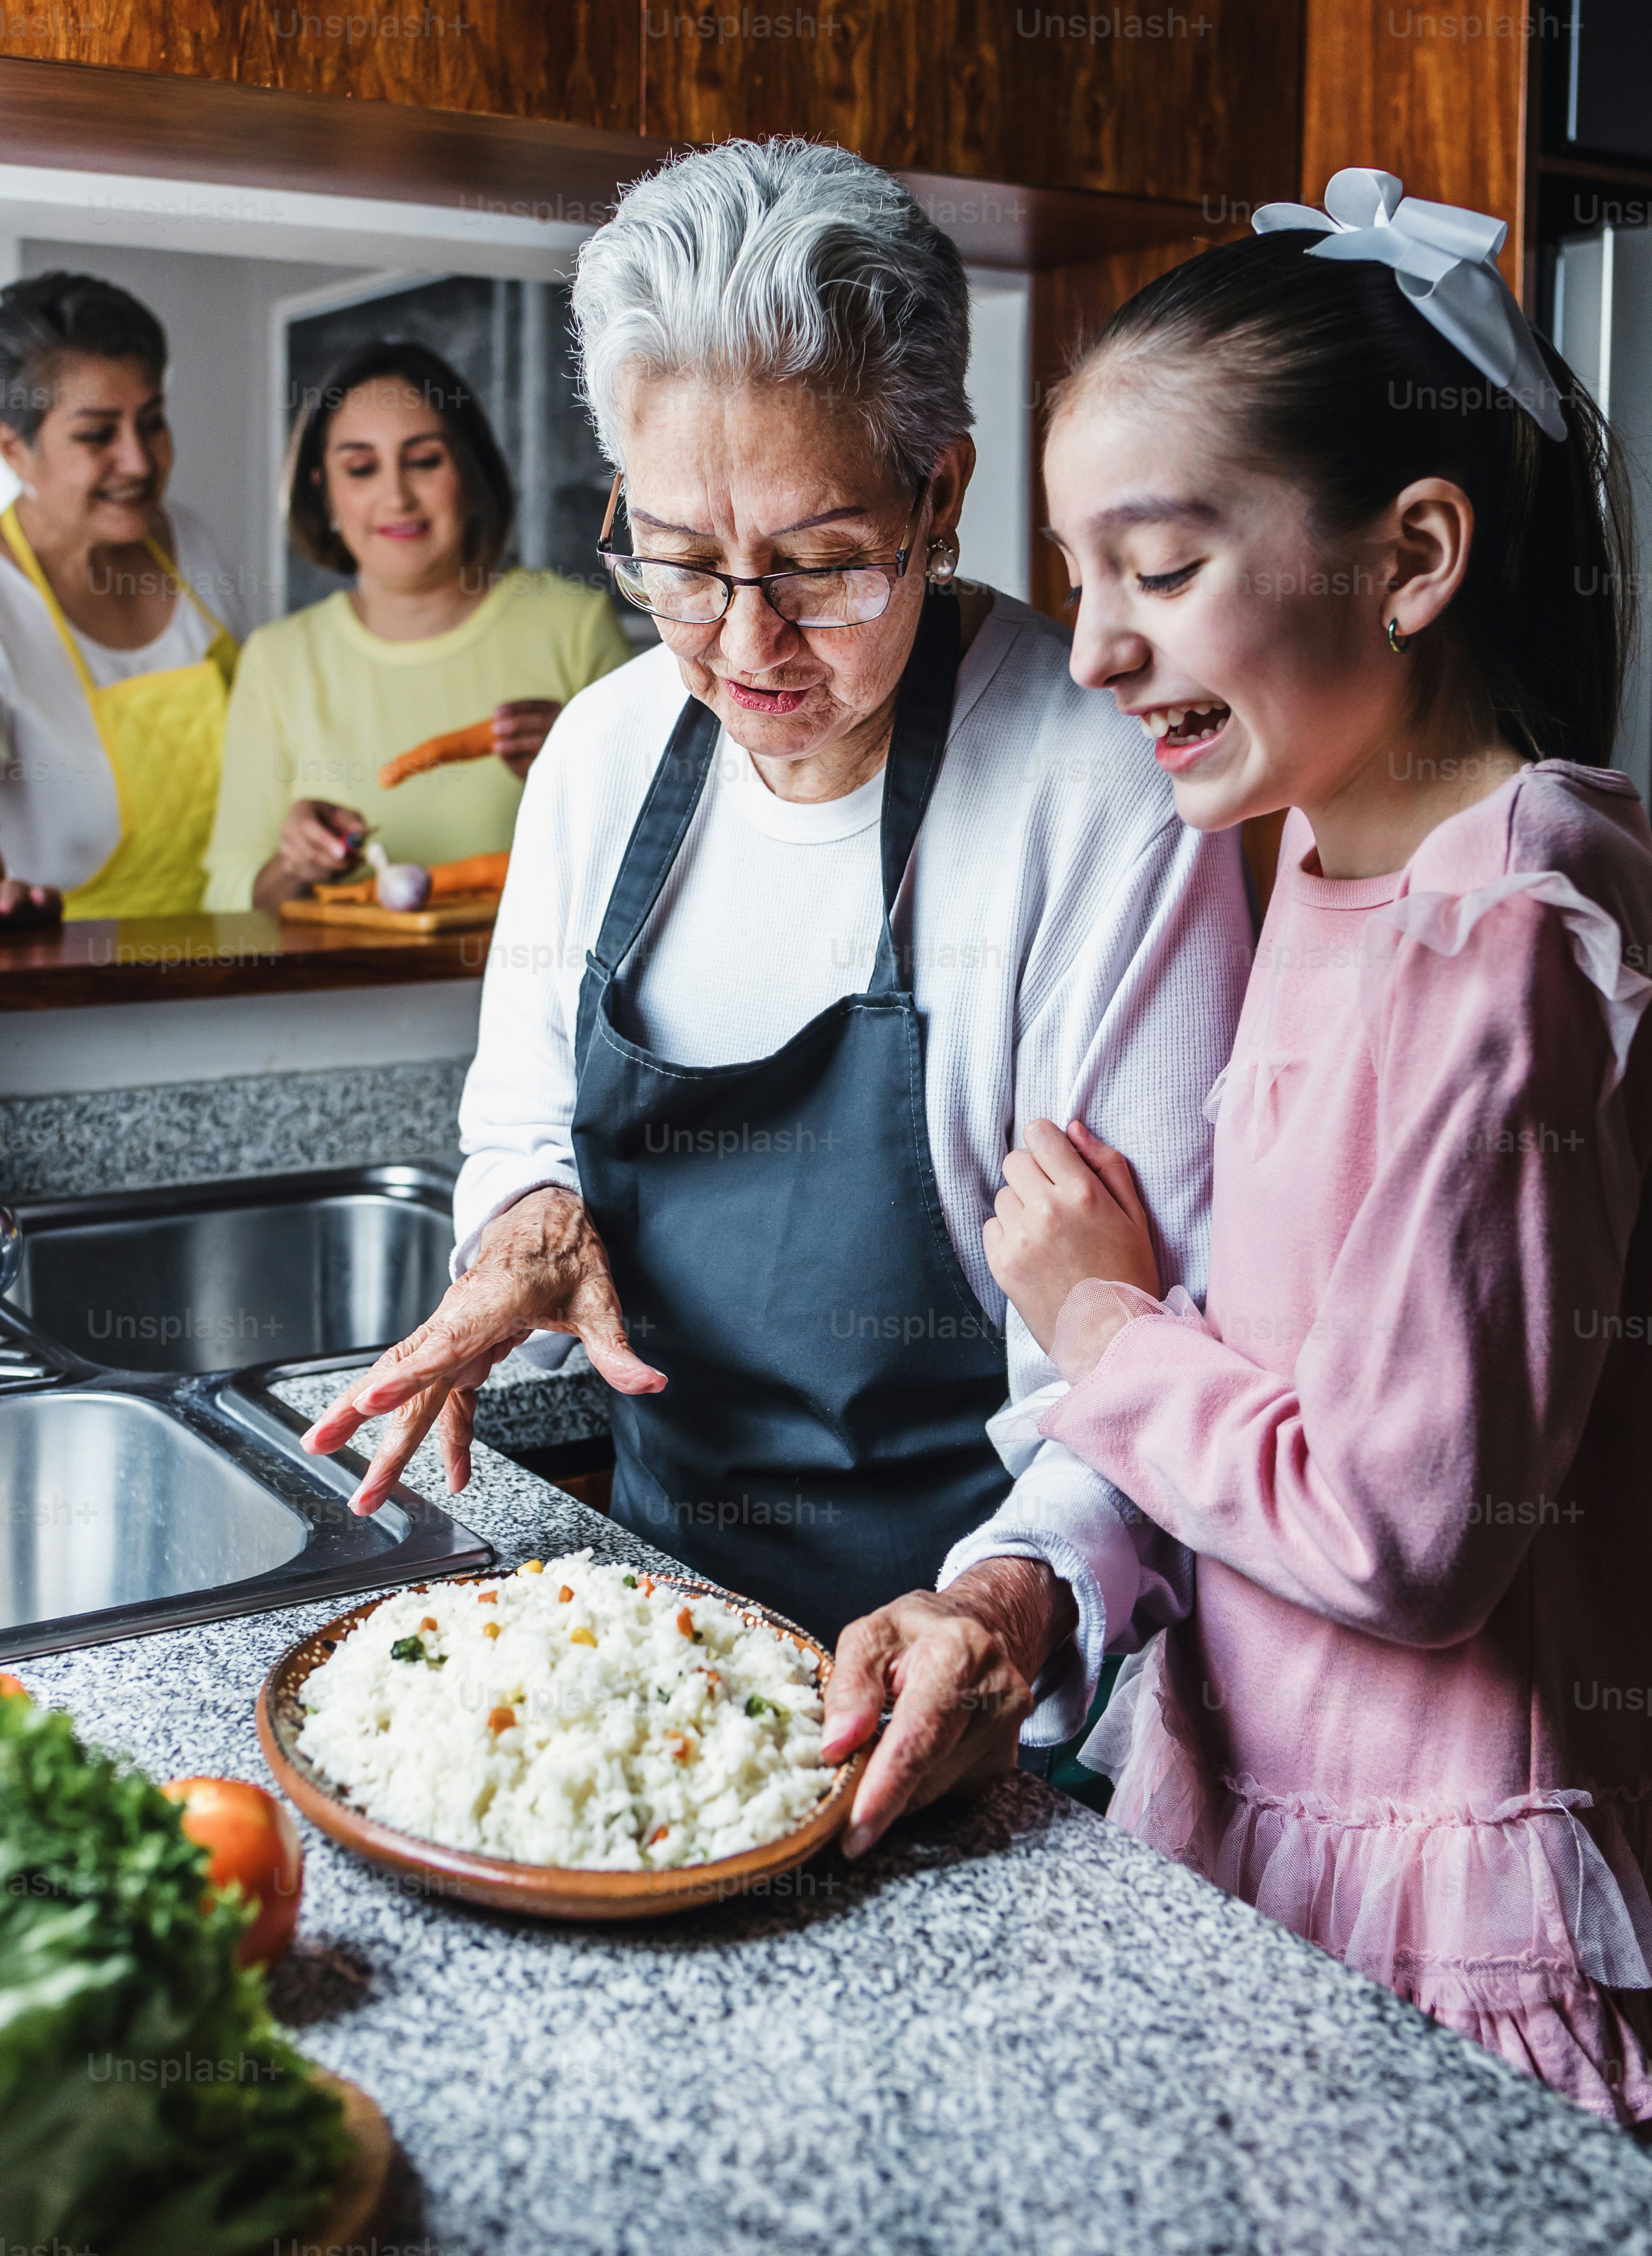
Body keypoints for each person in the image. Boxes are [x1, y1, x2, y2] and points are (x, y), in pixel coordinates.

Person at [831, 168, 1652, 2124]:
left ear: (1414, 552)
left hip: (1448, 1918)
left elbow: (1401, 1525)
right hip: (1266, 1834)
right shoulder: (1319, 852)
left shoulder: (1509, 943)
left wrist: (1106, 1327)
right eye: (1076, 572)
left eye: (1162, 566)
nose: (1096, 649)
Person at [301, 137, 1251, 1678]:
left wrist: (1002, 1607)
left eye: (818, 564)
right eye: (677, 560)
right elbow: (521, 1130)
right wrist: (529, 1226)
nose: (746, 642)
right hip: (663, 1640)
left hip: (997, 1676)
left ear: (936, 493)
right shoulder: (604, 758)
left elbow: (1152, 1349)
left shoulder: (1098, 798)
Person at [203, 339, 631, 914]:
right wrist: (296, 867)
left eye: (425, 460)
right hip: (343, 998)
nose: (397, 496)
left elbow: (663, 848)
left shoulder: (575, 626)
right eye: (360, 468)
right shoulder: (277, 659)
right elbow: (226, 899)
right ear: (323, 493)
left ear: (472, 476)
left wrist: (579, 774)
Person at [0, 271, 239, 922]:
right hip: (71, 982)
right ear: (12, 448)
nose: (138, 461)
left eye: (153, 422)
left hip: (237, 950)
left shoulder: (190, 541)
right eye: (97, 434)